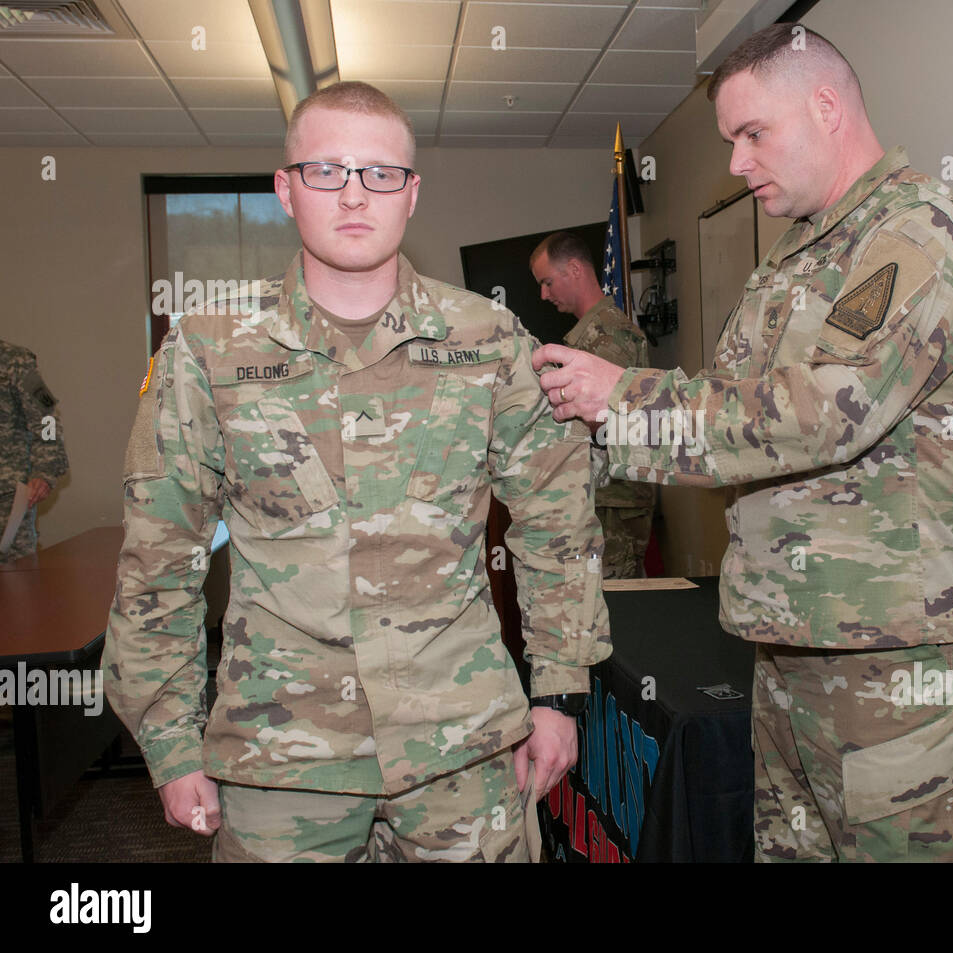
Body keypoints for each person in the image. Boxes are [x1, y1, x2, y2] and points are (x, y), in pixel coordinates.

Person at [534, 24, 953, 862]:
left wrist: (625, 398)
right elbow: (734, 418)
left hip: (893, 663)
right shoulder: (796, 256)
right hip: (792, 645)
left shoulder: (920, 232)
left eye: (753, 134)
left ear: (826, 107)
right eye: (731, 141)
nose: (736, 163)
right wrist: (593, 420)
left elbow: (830, 408)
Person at [102, 81, 609, 863]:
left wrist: (559, 692)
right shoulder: (207, 352)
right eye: (325, 170)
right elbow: (159, 557)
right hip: (284, 758)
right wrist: (169, 742)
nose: (352, 194)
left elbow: (555, 518)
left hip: (461, 748)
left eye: (378, 174)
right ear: (285, 188)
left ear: (411, 195)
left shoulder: (487, 339)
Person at [529, 232, 656, 579]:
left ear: (573, 269)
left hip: (614, 502)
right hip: (601, 499)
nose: (544, 294)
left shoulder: (609, 336)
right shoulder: (589, 336)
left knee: (617, 612)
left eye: (548, 282)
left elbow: (604, 423)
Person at [0, 340, 69, 562]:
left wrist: (44, 470)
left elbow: (46, 417)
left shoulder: (14, 361)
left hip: (8, 500)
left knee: (18, 583)